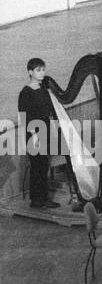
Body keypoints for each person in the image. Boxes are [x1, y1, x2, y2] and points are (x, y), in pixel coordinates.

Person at [19, 59, 57, 209]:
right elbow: (24, 117)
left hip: (45, 130)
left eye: (43, 70)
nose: (42, 73)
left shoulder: (43, 89)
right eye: (38, 70)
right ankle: (36, 200)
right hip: (33, 132)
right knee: (37, 166)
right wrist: (34, 135)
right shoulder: (25, 92)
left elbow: (49, 110)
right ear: (30, 72)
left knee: (44, 165)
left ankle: (44, 198)